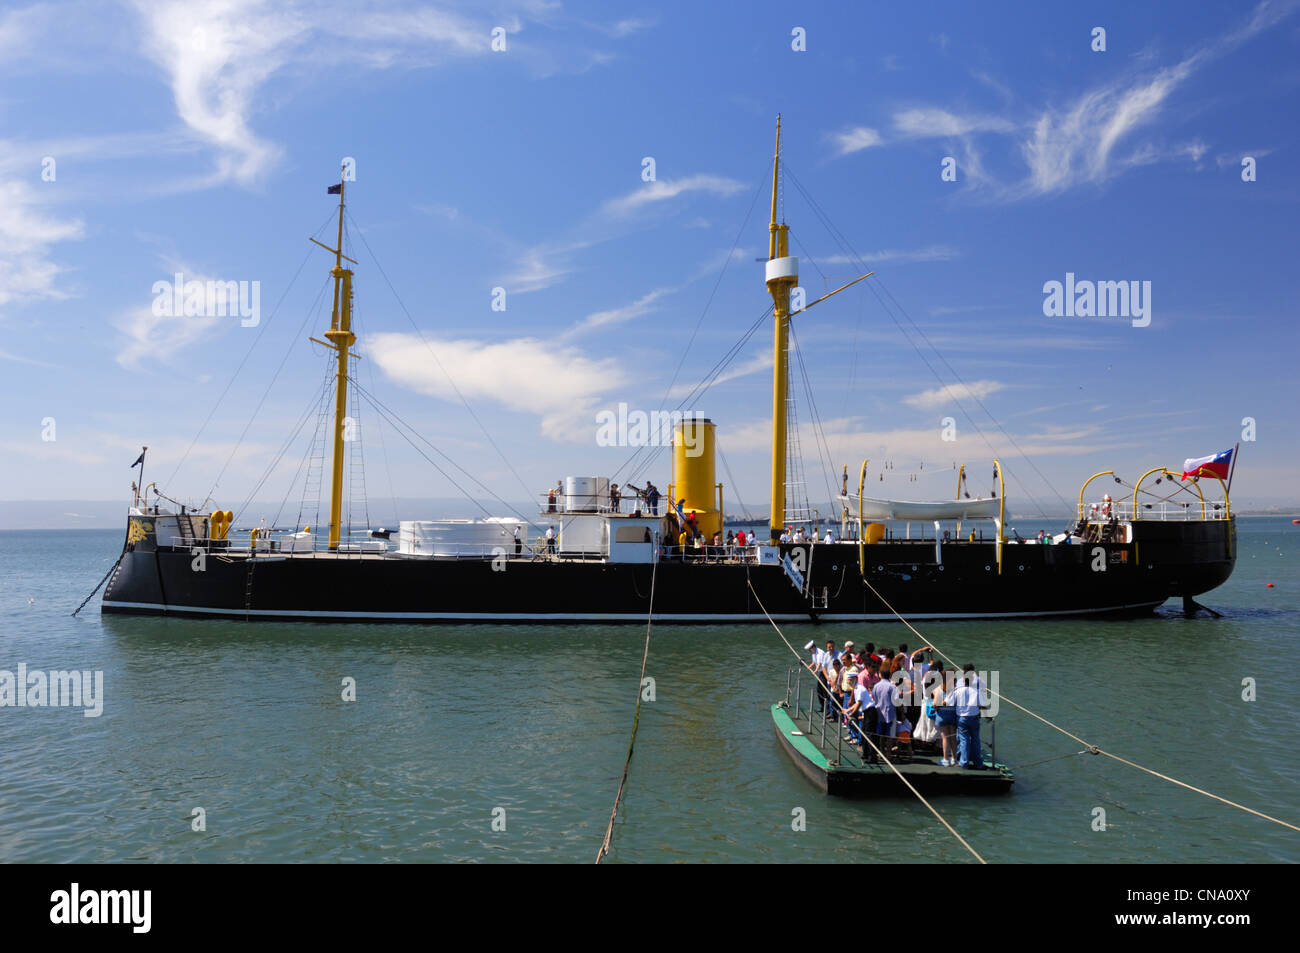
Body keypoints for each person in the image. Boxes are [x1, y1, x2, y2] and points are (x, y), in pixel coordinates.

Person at [947, 669, 983, 769]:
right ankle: (978, 763)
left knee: (964, 740)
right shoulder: (976, 691)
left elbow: (950, 702)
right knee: (976, 740)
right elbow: (983, 705)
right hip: (975, 718)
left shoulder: (958, 691)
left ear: (963, 680)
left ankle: (964, 763)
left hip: (962, 718)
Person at [870, 665, 899, 752]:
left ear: (880, 675)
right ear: (890, 675)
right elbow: (896, 701)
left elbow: (874, 697)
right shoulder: (892, 687)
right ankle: (888, 754)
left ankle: (881, 751)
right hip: (890, 714)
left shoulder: (876, 686)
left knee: (880, 734)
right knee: (889, 735)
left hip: (879, 712)